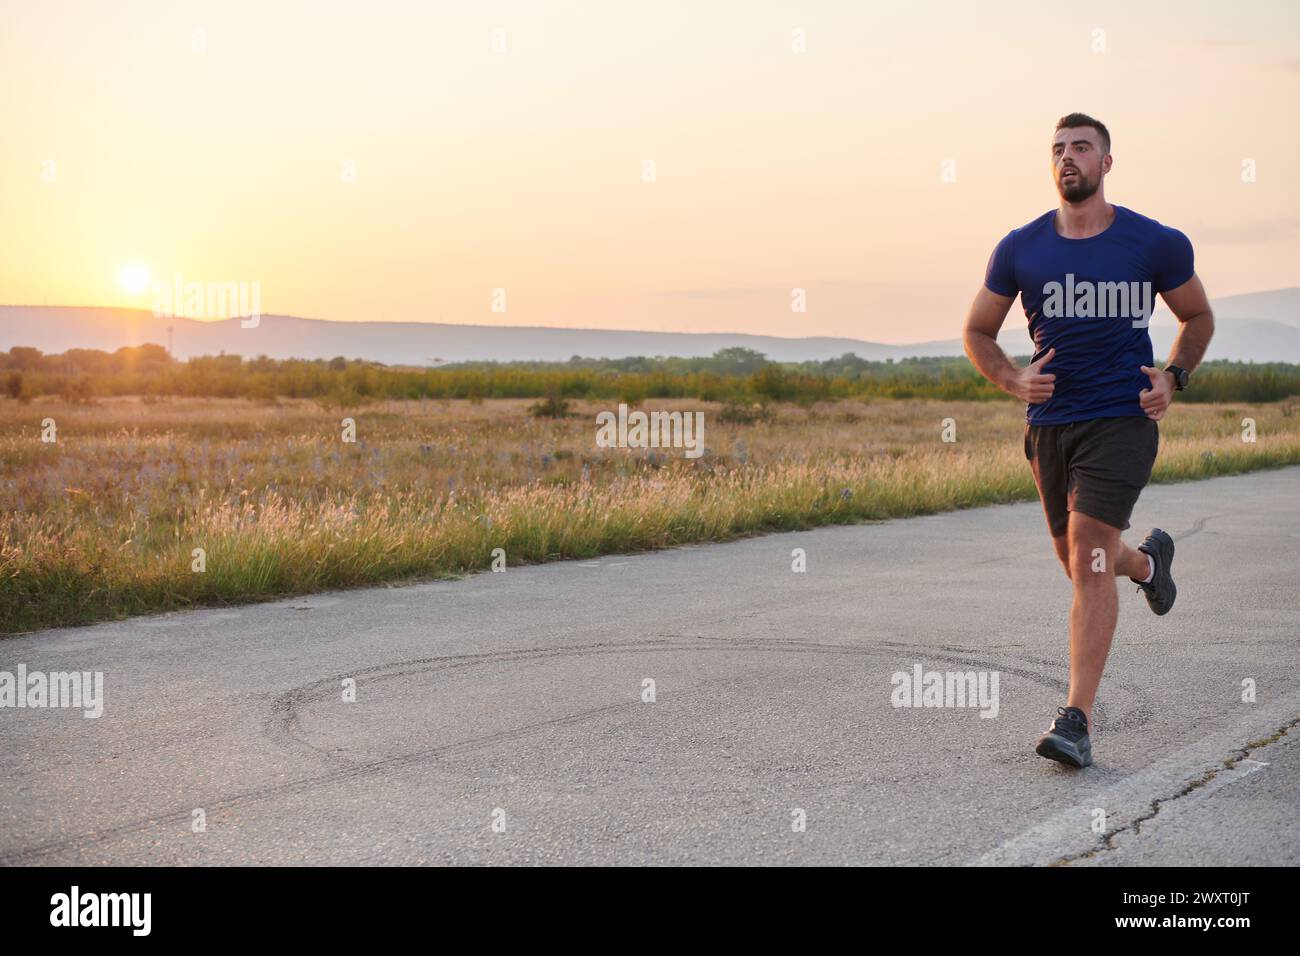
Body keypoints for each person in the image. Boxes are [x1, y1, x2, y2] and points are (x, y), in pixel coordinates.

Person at [962, 112, 1215, 768]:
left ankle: (1075, 718)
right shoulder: (1021, 248)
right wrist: (1013, 380)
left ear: (1106, 162)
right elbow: (978, 333)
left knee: (1086, 547)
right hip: (1051, 425)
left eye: (1081, 147)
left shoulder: (1153, 242)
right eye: (1058, 150)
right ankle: (1149, 564)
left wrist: (1175, 375)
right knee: (1086, 563)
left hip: (1123, 418)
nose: (1067, 157)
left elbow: (1198, 315)